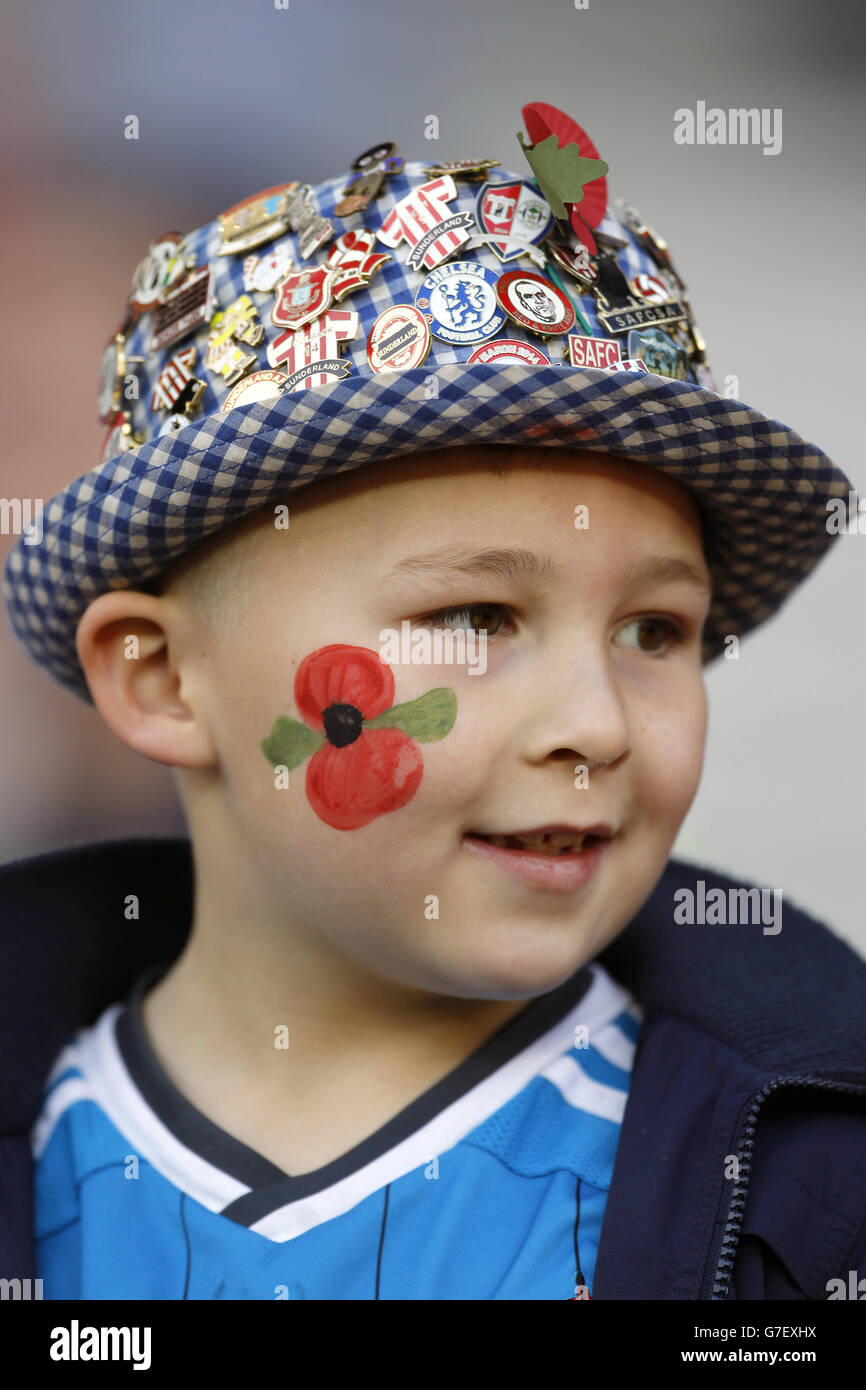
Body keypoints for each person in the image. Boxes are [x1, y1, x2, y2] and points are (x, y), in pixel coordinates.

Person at [2, 103, 864, 1301]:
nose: (597, 724)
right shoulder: (41, 1156)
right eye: (474, 619)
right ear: (161, 678)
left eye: (653, 631)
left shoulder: (806, 1197)